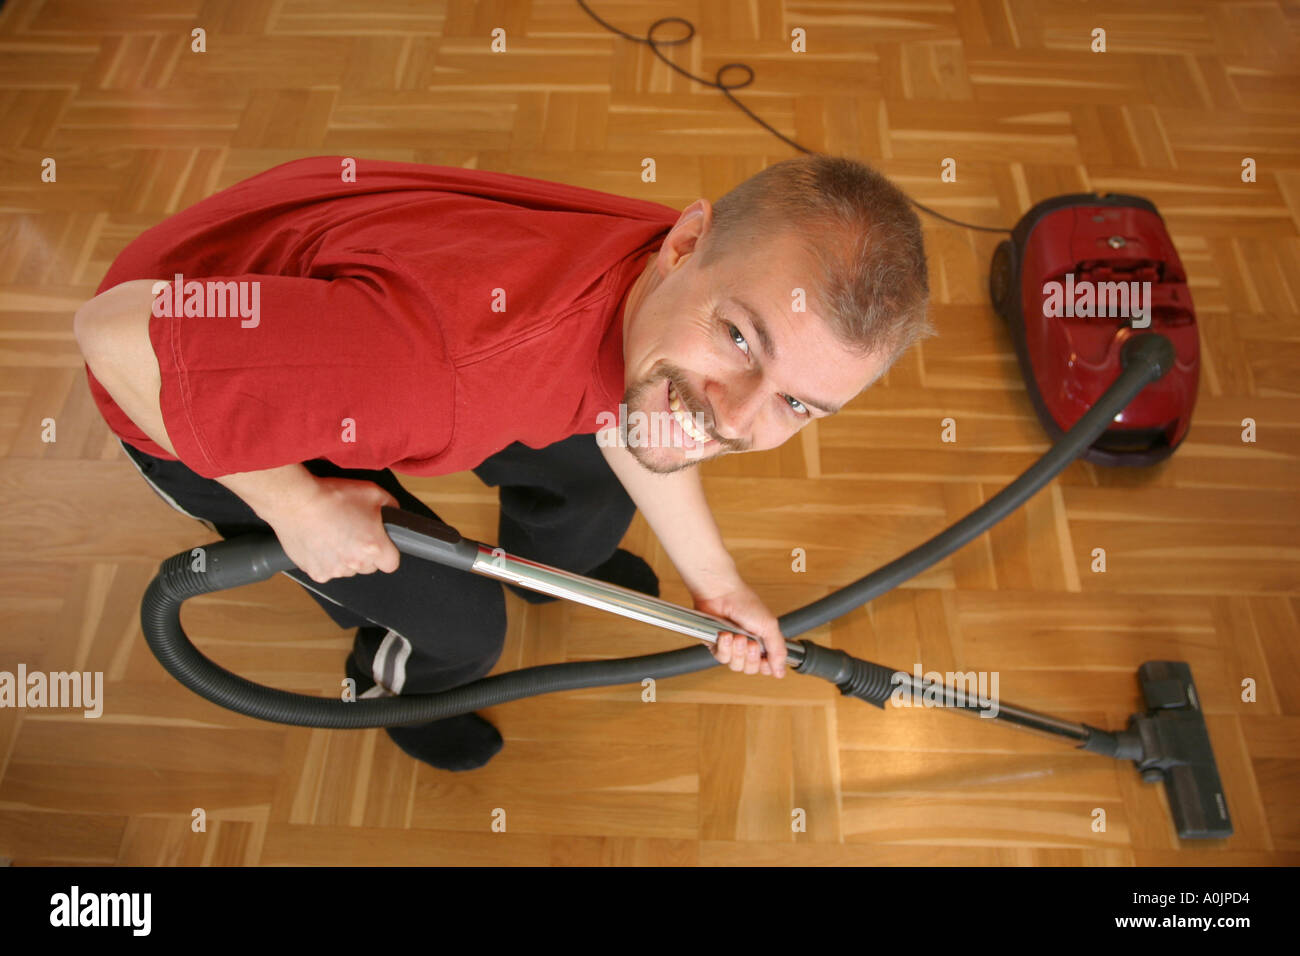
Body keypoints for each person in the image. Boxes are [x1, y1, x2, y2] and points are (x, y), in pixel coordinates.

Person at [73, 153, 930, 771]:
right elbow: (112, 334)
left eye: (797, 404)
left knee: (602, 469)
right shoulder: (435, 369)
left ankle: (552, 566)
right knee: (461, 623)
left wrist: (719, 583)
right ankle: (404, 691)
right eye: (741, 339)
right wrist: (293, 506)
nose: (736, 419)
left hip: (324, 316)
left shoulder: (669, 274)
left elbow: (652, 422)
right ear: (686, 242)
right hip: (180, 386)